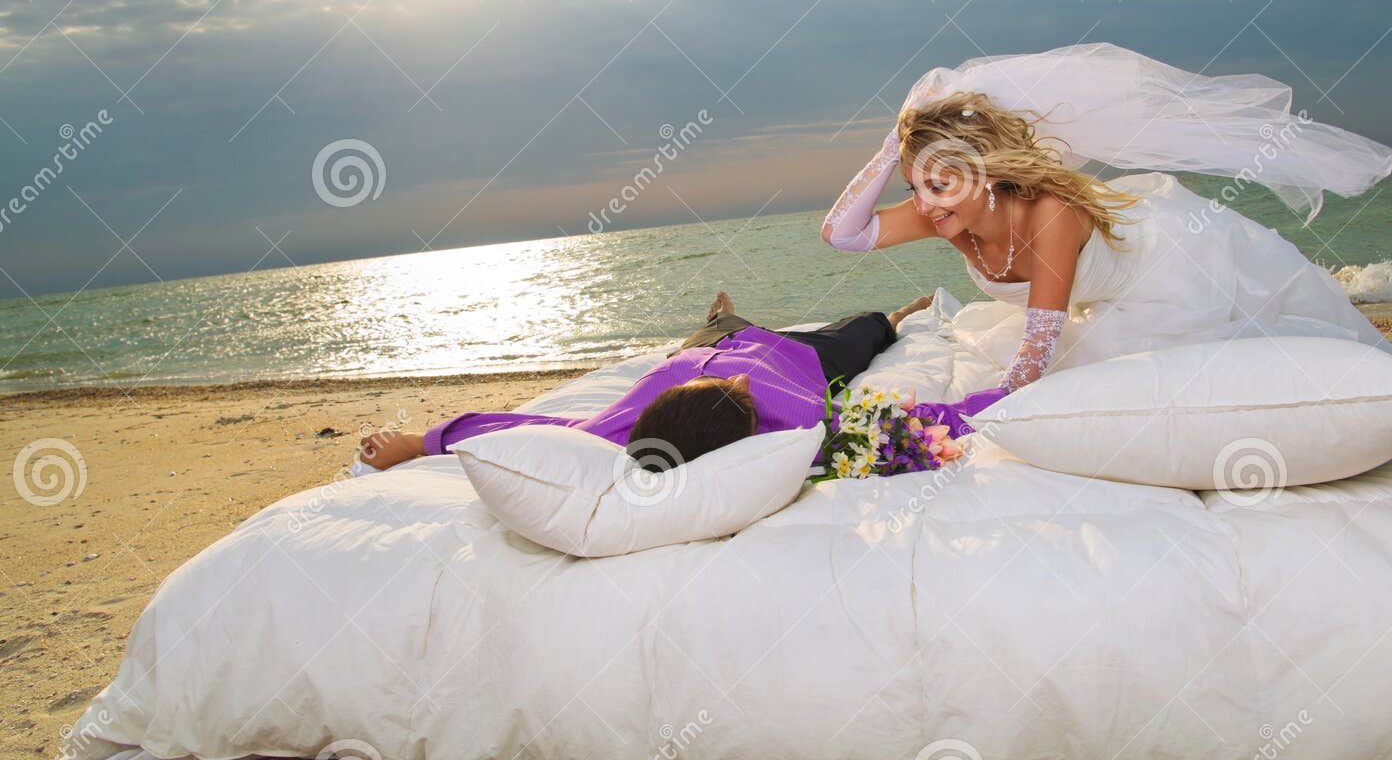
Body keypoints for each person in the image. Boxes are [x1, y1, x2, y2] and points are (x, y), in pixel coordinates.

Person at [822, 42, 1392, 390]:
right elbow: (842, 235)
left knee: (1256, 359)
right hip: (1096, 305)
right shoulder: (944, 213)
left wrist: (991, 406)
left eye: (941, 183)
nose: (924, 203)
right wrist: (892, 149)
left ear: (987, 173)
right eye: (914, 185)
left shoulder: (1051, 214)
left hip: (1172, 270)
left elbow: (1039, 344)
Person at [358, 292, 1005, 471]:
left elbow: (515, 427)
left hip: (708, 349)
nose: (743, 390)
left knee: (716, 331)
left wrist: (420, 441)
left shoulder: (620, 425)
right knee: (863, 333)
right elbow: (908, 425)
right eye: (740, 402)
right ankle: (899, 314)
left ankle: (720, 316)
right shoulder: (800, 423)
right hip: (792, 356)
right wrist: (997, 401)